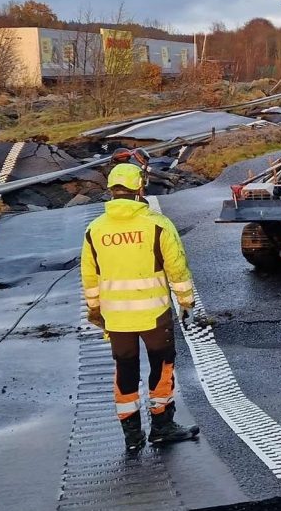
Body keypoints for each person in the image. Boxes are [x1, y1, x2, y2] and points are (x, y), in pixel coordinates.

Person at [81, 163, 199, 451]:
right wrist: (186, 302)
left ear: (111, 191)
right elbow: (177, 269)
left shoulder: (95, 230)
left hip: (116, 319)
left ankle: (132, 437)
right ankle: (162, 427)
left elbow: (90, 277)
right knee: (161, 367)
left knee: (125, 370)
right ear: (140, 189)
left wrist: (96, 312)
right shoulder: (157, 225)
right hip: (154, 316)